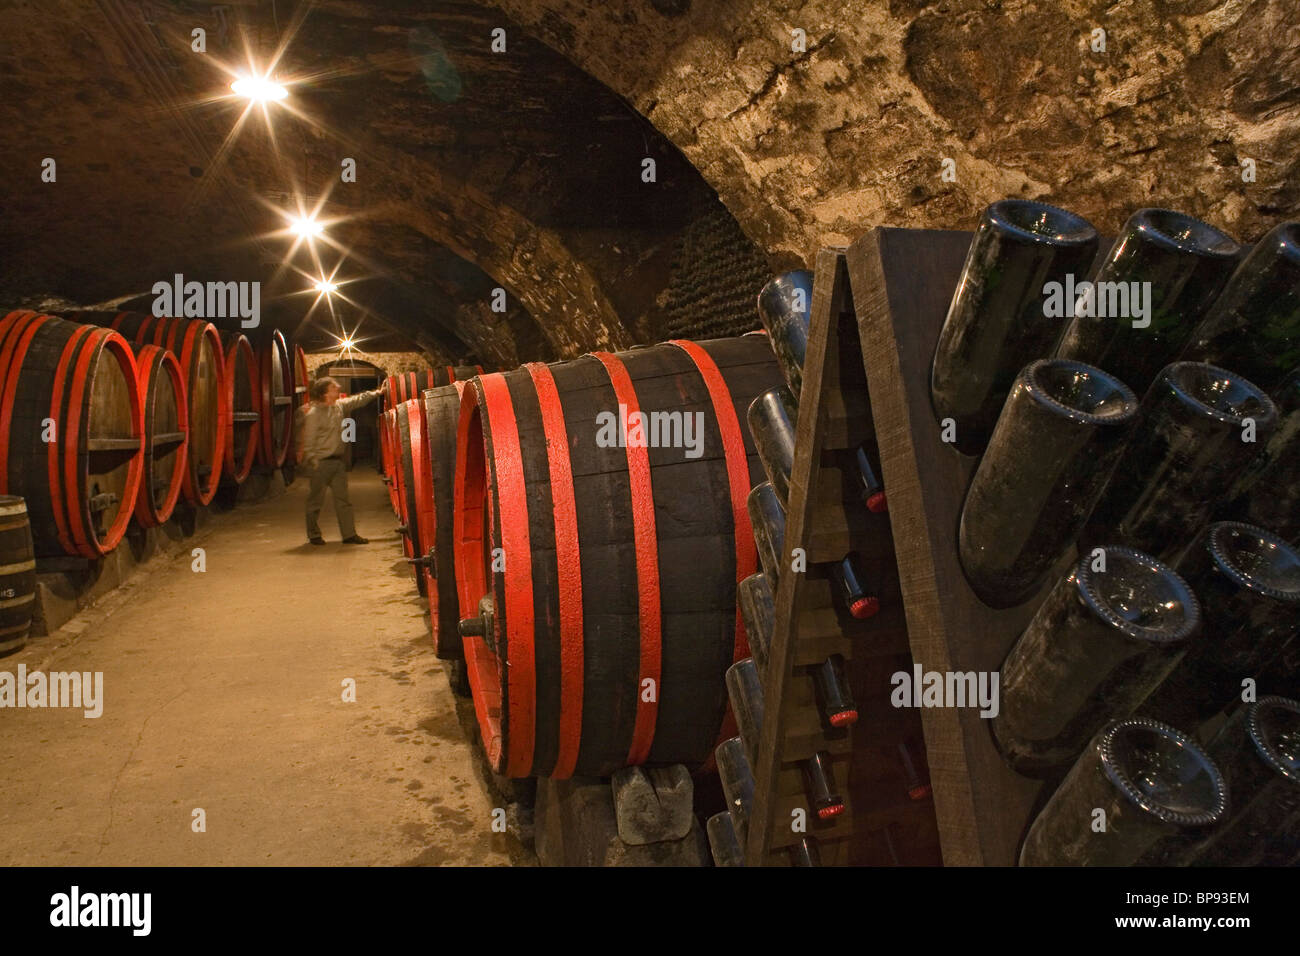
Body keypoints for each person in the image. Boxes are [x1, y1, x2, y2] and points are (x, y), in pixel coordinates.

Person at [297, 376, 382, 545]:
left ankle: (349, 534)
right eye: (334, 387)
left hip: (337, 462)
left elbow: (357, 400)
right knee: (315, 502)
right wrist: (313, 461)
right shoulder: (314, 414)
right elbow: (309, 440)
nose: (338, 387)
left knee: (343, 500)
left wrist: (378, 392)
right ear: (325, 392)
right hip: (321, 463)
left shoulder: (338, 407)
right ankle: (313, 535)